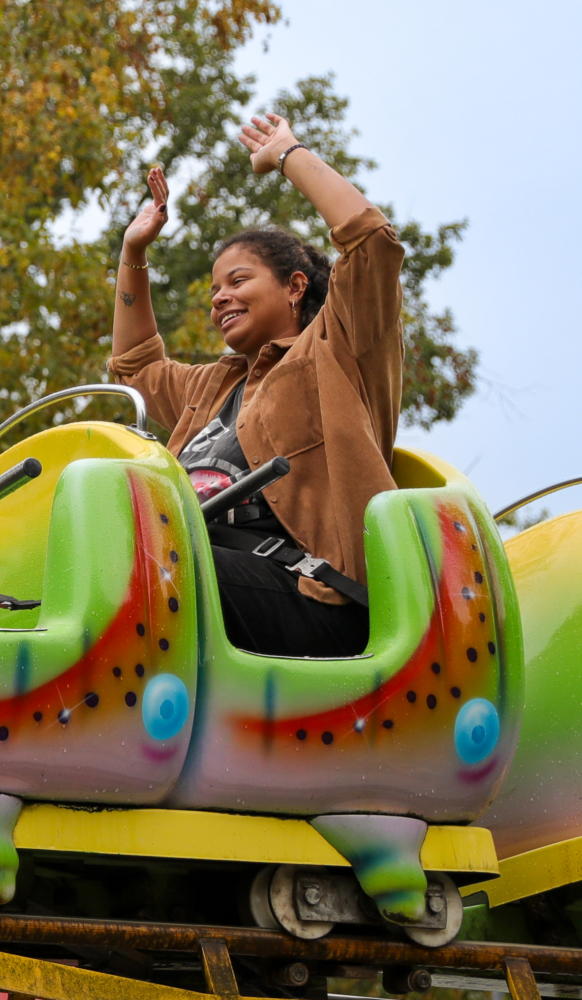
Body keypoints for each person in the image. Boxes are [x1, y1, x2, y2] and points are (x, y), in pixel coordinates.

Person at [109, 112, 405, 659]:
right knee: (98, 548)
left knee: (144, 559)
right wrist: (133, 254)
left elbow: (371, 244)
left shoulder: (337, 350)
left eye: (238, 280)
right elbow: (134, 366)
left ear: (295, 287)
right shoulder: (212, 387)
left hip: (311, 596)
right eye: (215, 289)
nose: (219, 297)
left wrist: (289, 153)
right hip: (200, 572)